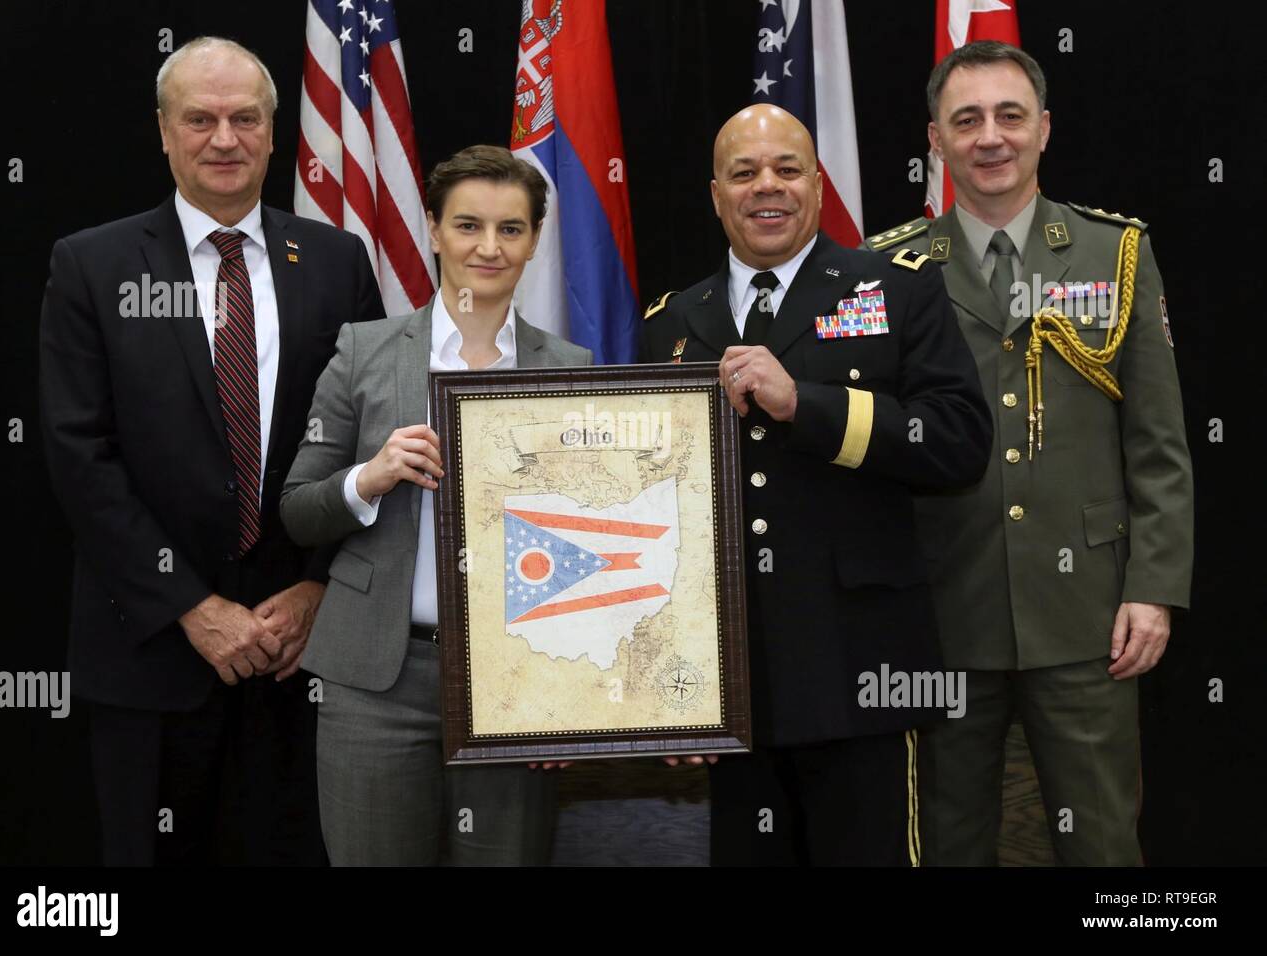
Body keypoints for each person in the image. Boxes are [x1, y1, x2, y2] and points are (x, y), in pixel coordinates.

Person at [38, 37, 385, 865]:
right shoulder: (92, 264)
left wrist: (316, 586)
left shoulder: (336, 261)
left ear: (273, 132)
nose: (223, 139)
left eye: (244, 118)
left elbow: (372, 440)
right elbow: (78, 455)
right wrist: (194, 607)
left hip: (302, 656)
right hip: (152, 650)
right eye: (200, 119)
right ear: (163, 132)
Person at [863, 41, 1194, 865]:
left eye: (1010, 116)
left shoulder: (1114, 253)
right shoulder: (884, 269)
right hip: (942, 613)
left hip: (1090, 616)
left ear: (1044, 129)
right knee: (949, 838)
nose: (991, 137)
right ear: (934, 140)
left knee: (1105, 843)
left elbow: (1158, 445)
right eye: (965, 119)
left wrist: (1153, 589)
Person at [640, 105, 992, 866]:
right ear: (715, 195)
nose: (767, 187)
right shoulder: (670, 322)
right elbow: (649, 514)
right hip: (729, 682)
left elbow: (961, 445)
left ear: (818, 183)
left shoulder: (895, 291)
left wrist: (809, 405)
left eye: (787, 168)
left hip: (859, 671)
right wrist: (668, 694)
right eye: (744, 172)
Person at [281, 144, 590, 866]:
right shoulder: (363, 350)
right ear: (431, 228)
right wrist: (372, 476)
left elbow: (592, 551)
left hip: (517, 684)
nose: (488, 247)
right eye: (467, 225)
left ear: (535, 240)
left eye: (511, 229)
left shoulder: (571, 371)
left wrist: (570, 702)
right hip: (375, 683)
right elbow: (299, 510)